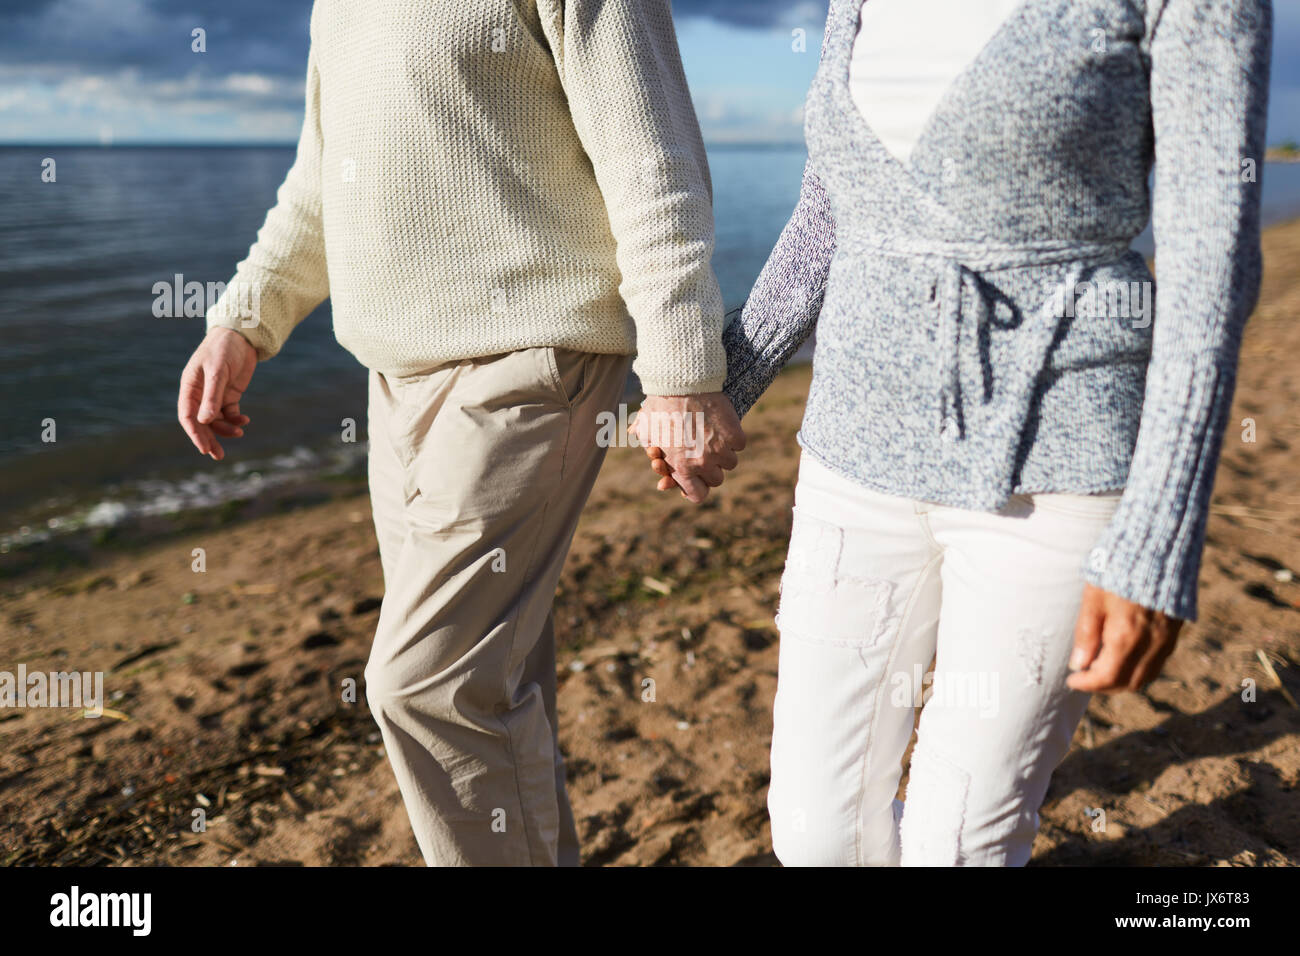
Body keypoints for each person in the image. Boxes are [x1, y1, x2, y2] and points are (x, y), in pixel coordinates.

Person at [646, 0, 1271, 866]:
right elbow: (829, 218)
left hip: (1056, 463)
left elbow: (1213, 259)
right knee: (814, 833)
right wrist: (723, 385)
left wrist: (1158, 540)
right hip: (853, 450)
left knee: (958, 842)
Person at [177, 0, 745, 866]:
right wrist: (242, 323)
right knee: (495, 679)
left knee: (423, 684)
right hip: (394, 382)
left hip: (534, 364)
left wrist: (681, 375)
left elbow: (651, 161)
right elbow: (321, 183)